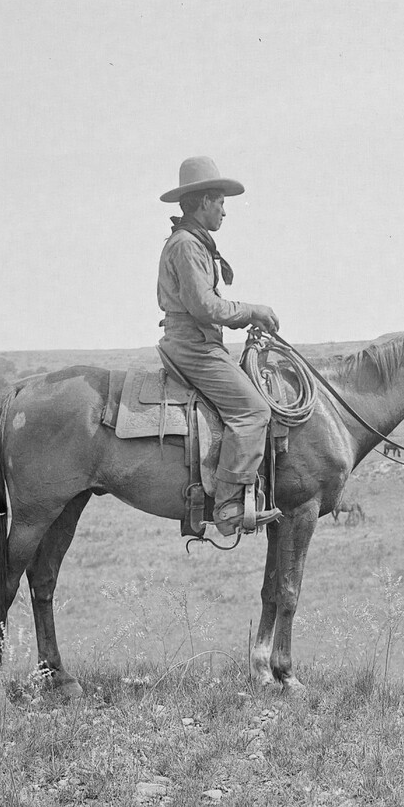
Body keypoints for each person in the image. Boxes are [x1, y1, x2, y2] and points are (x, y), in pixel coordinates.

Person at [157, 157, 283, 535]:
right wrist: (251, 311)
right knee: (254, 411)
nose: (225, 211)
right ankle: (228, 505)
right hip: (194, 347)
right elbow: (204, 306)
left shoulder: (193, 243)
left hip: (200, 342)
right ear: (204, 201)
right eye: (221, 202)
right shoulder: (186, 246)